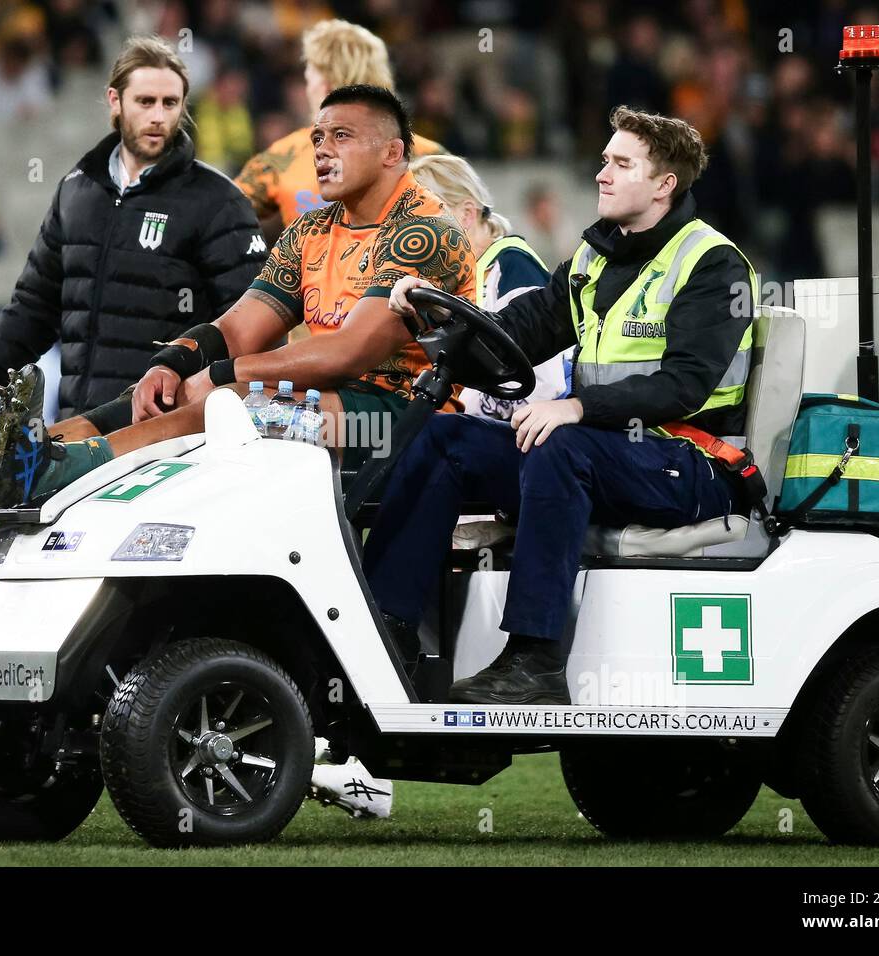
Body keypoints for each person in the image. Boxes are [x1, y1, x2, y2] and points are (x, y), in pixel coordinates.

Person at [0, 84, 474, 563]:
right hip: (330, 402)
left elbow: (348, 354)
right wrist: (172, 363)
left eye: (341, 137)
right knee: (152, 398)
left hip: (403, 420)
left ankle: (51, 471)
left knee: (235, 404)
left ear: (394, 153)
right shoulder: (312, 230)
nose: (321, 150)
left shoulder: (422, 231)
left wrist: (219, 374)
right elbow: (241, 323)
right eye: (318, 137)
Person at [365, 106, 758, 705]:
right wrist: (429, 315)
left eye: (621, 163)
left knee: (556, 442)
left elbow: (686, 385)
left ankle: (535, 659)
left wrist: (577, 407)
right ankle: (385, 629)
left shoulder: (713, 264)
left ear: (663, 185)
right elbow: (515, 333)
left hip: (691, 462)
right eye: (604, 160)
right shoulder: (595, 259)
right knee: (447, 440)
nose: (601, 173)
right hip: (610, 455)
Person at [0, 34, 266, 438]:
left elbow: (251, 325)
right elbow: (33, 308)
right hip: (78, 426)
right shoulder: (76, 192)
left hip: (163, 436)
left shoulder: (218, 201)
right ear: (115, 101)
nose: (159, 116)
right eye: (145, 102)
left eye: (170, 103)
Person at [234, 19, 445, 243]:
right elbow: (472, 228)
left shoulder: (285, 157)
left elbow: (219, 210)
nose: (308, 87)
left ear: (325, 83)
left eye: (309, 75)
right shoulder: (429, 156)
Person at [408, 154, 570, 421]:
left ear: (467, 214)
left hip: (522, 431)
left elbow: (544, 384)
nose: (413, 236)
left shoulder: (512, 265)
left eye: (424, 219)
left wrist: (459, 407)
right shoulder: (456, 279)